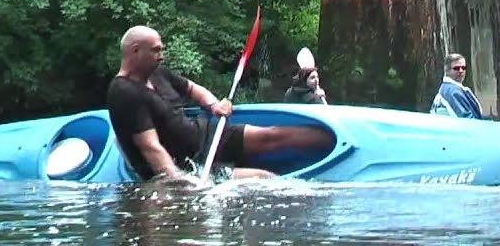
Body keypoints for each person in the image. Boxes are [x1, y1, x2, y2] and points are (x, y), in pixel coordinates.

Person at [107, 25, 334, 182]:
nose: (162, 55)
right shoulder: (124, 92)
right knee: (265, 179)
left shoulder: (158, 73)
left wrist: (214, 105)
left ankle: (336, 141)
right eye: (156, 50)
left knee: (271, 135)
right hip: (192, 166)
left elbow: (193, 89)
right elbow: (150, 147)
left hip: (206, 135)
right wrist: (178, 180)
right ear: (135, 51)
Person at [429, 52, 484, 119]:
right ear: (447, 70)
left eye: (463, 68)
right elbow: (467, 120)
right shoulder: (452, 92)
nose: (461, 71)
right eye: (456, 68)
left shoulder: (446, 88)